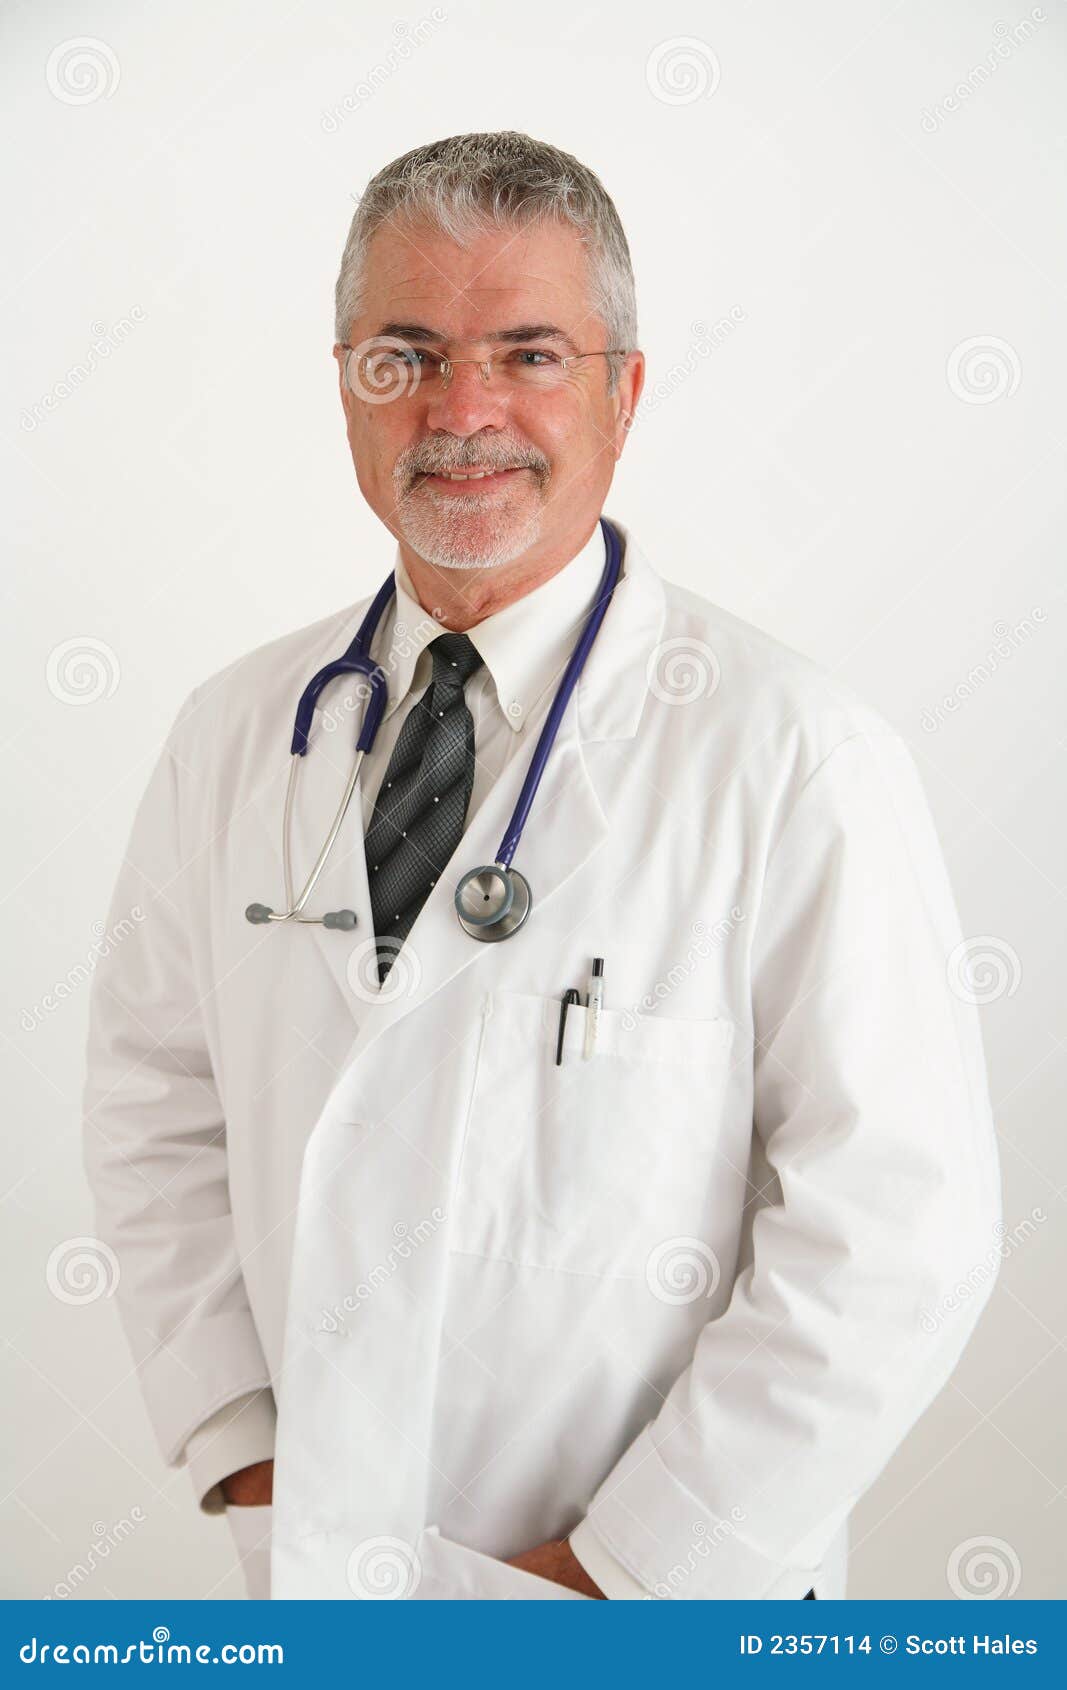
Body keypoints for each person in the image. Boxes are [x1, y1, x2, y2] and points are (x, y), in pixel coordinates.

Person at [82, 131, 1002, 1601]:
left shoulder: (793, 751)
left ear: (625, 392)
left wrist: (618, 1576)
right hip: (318, 1582)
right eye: (407, 354)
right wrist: (248, 1451)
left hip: (659, 1606)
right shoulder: (235, 732)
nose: (464, 411)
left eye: (529, 353)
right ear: (344, 385)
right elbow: (155, 1100)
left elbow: (898, 1226)